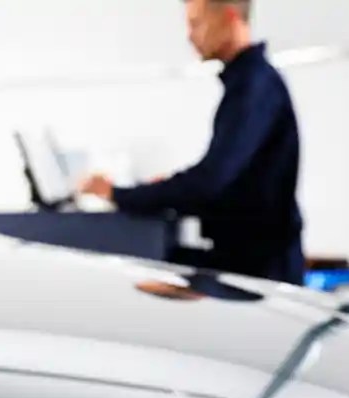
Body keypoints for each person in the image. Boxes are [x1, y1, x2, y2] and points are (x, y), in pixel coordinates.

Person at [80, 0, 305, 285]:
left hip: (260, 273)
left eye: (196, 23)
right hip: (252, 262)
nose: (190, 35)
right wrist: (161, 190)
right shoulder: (251, 84)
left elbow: (209, 182)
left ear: (230, 17)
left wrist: (121, 194)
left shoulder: (253, 88)